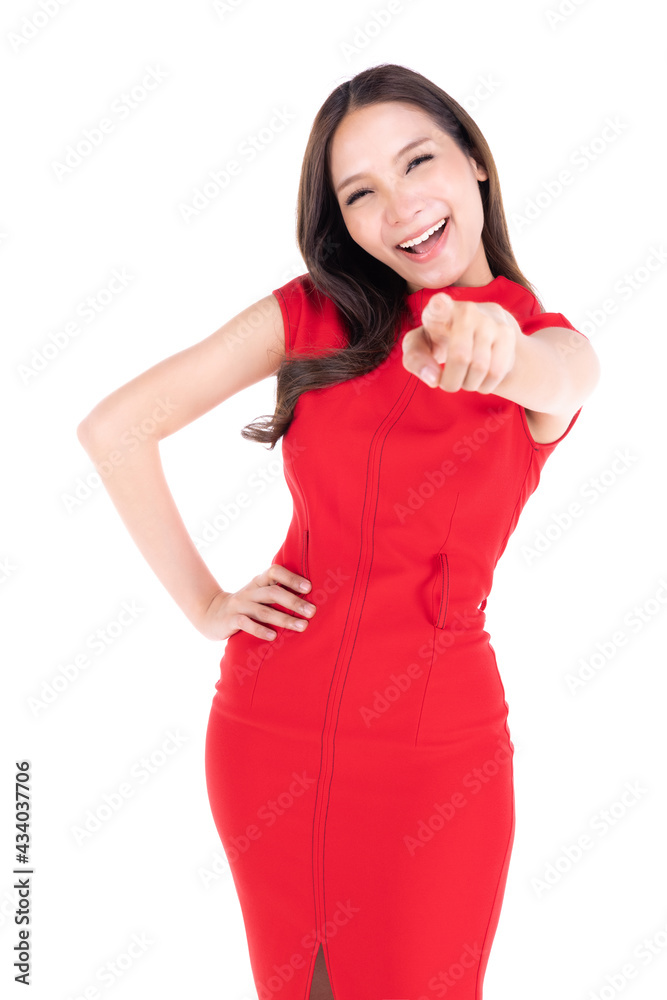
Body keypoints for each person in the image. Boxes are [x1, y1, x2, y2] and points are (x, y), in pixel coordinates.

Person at [77, 63, 600, 1000]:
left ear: (476, 162)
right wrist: (206, 604)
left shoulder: (541, 343)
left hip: (434, 762)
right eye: (361, 192)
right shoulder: (312, 316)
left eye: (418, 162)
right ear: (343, 222)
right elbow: (115, 429)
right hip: (265, 729)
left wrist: (494, 349)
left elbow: (558, 378)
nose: (399, 207)